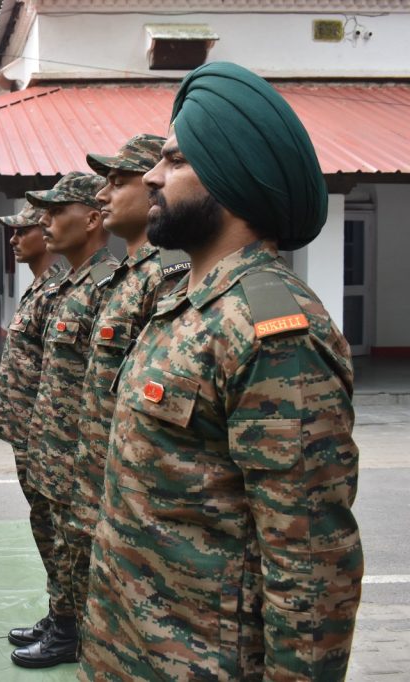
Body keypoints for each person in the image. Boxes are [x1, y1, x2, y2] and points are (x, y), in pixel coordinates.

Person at [82, 62, 363, 680]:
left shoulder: (273, 330)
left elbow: (310, 561)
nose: (154, 177)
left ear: (233, 180)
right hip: (129, 647)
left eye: (176, 162)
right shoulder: (187, 302)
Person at [62, 133, 191, 654]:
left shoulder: (165, 275)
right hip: (100, 465)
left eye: (118, 182)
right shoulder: (127, 276)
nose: (102, 194)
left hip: (131, 485)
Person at [10, 172, 117, 669]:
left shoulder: (106, 286)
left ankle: (73, 629)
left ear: (92, 219)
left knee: (76, 545)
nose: (45, 223)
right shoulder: (73, 285)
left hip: (80, 449)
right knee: (57, 538)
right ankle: (63, 618)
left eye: (56, 213)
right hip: (51, 442)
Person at [0, 204, 66, 648]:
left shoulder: (58, 290)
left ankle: (67, 622)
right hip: (28, 432)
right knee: (43, 526)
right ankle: (59, 613)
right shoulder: (39, 288)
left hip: (45, 433)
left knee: (55, 530)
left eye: (23, 231)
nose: (15, 240)